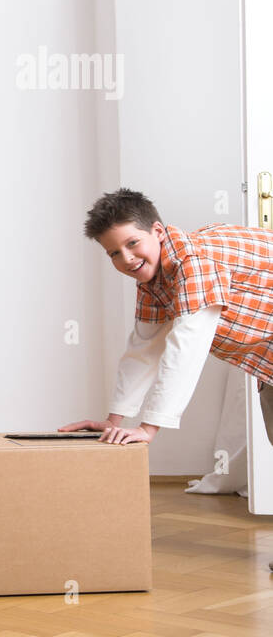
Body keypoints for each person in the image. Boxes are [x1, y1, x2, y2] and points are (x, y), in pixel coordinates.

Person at [61, 188, 273, 449]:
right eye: (114, 253)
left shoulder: (194, 262)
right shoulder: (153, 282)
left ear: (158, 232)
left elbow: (187, 347)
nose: (126, 258)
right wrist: (114, 421)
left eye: (132, 243)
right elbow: (143, 350)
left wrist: (148, 428)